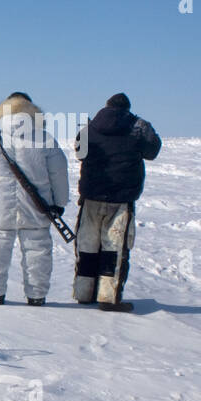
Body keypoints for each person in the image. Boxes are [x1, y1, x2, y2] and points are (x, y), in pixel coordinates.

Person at [0, 92, 70, 306]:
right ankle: (36, 295)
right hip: (36, 205)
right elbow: (59, 172)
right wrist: (59, 203)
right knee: (37, 249)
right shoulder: (44, 138)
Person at [71, 93, 162, 311]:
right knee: (115, 248)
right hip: (121, 199)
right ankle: (108, 297)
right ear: (128, 108)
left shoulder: (90, 128)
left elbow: (79, 153)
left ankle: (84, 293)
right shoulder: (137, 127)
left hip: (91, 198)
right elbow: (153, 151)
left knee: (87, 247)